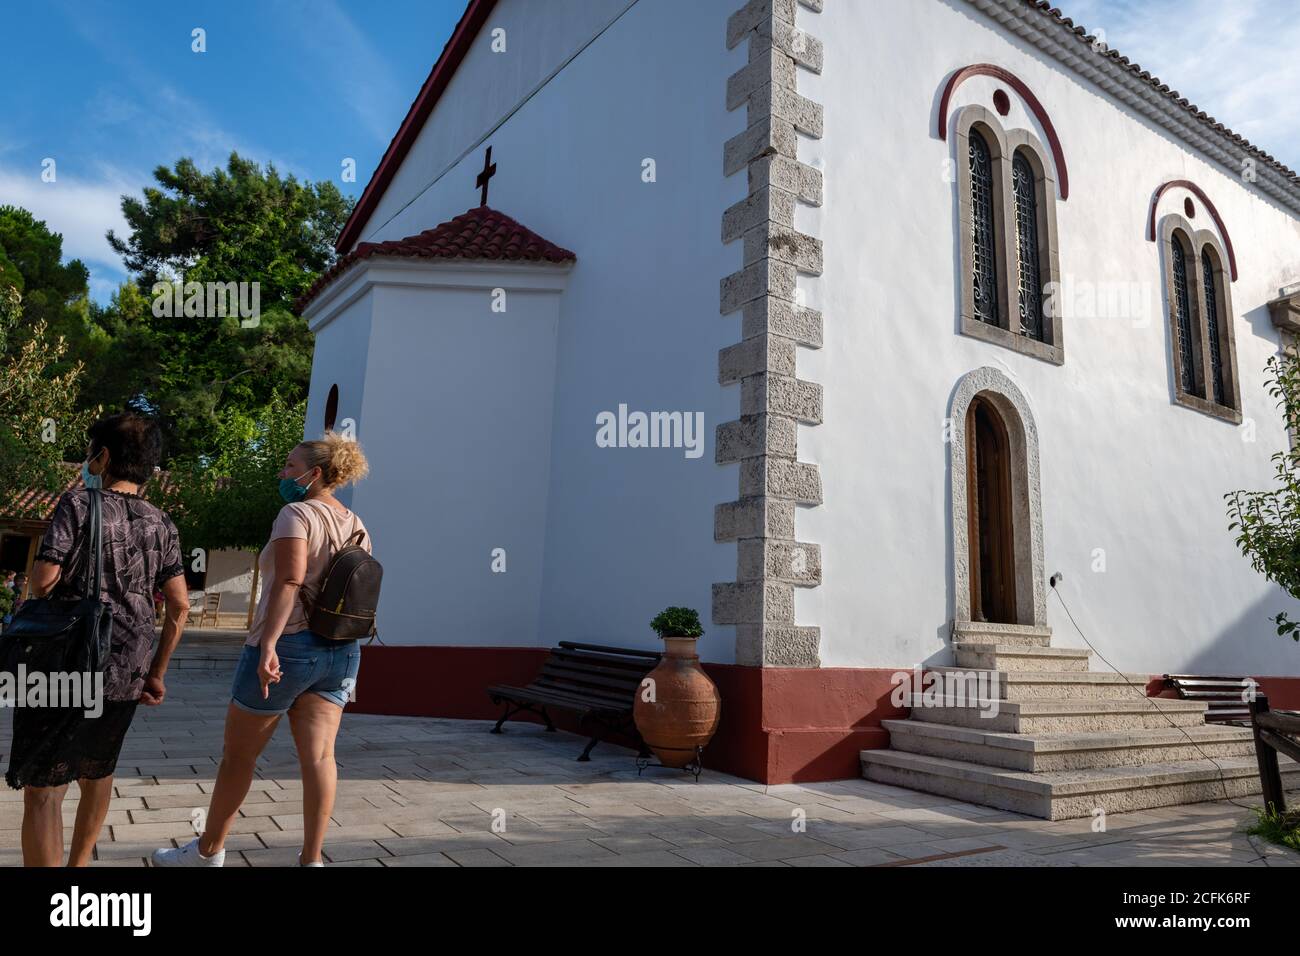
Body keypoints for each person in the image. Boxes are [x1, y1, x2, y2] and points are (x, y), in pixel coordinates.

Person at [153, 433, 371, 867]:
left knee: (239, 757)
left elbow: (290, 581)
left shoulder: (296, 513)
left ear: (315, 474)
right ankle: (311, 859)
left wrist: (268, 643)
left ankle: (207, 852)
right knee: (322, 757)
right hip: (341, 650)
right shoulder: (358, 523)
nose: (282, 474)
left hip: (288, 646)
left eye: (289, 467)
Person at [6, 412, 190, 866]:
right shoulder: (162, 522)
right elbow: (180, 605)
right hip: (127, 666)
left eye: (91, 451)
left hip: (67, 662)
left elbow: (44, 582)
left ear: (103, 456)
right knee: (98, 769)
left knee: (44, 788)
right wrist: (156, 672)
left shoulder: (79, 504)